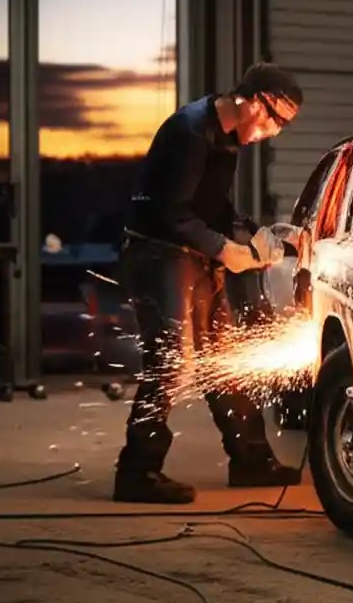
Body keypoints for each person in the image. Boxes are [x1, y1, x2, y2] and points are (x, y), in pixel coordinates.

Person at [113, 62, 304, 504]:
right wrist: (226, 250)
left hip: (192, 256)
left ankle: (251, 459)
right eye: (274, 119)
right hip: (158, 254)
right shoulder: (189, 132)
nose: (274, 132)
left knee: (224, 359)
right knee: (171, 360)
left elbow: (209, 203)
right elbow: (168, 212)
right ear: (251, 101)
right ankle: (137, 472)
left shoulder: (226, 136)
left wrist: (254, 233)